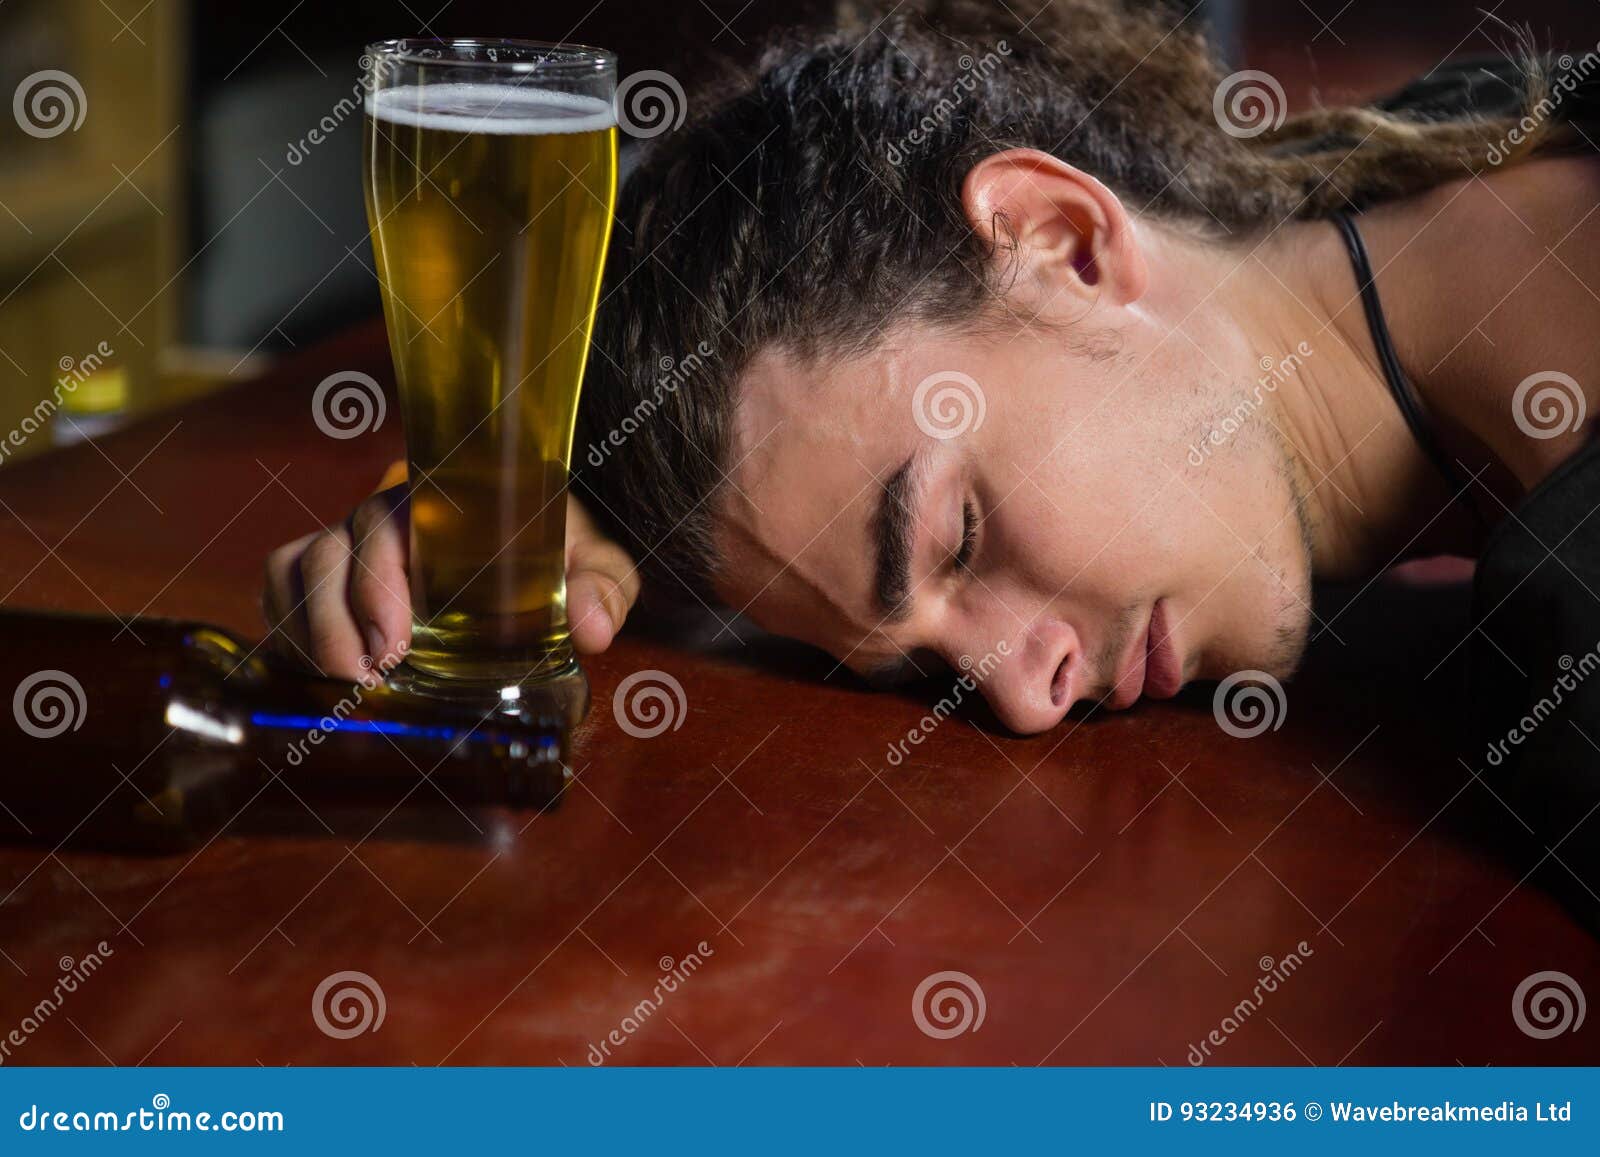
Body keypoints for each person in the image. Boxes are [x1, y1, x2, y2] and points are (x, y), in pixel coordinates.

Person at [264, 3, 1600, 917]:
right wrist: (543, 511)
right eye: (919, 665)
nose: (1025, 694)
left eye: (957, 538)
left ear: (1062, 240)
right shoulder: (1458, 170)